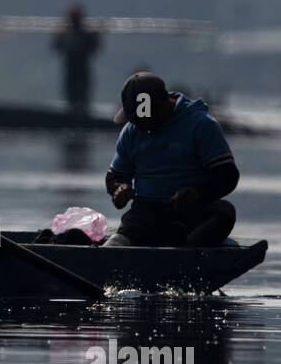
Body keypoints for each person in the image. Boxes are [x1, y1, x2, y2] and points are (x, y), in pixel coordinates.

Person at [102, 72, 239, 247]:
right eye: (135, 120)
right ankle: (114, 251)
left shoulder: (200, 125)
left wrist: (196, 193)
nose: (140, 126)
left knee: (224, 212)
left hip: (192, 211)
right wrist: (119, 189)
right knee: (129, 231)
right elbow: (115, 176)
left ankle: (187, 254)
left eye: (144, 120)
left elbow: (227, 175)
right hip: (146, 212)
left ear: (163, 105)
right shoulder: (131, 131)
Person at [51, 3, 101, 114]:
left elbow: (95, 47)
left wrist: (96, 36)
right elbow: (57, 47)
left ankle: (82, 110)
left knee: (82, 92)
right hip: (71, 67)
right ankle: (73, 110)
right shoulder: (65, 33)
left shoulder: (86, 33)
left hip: (82, 67)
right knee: (71, 93)